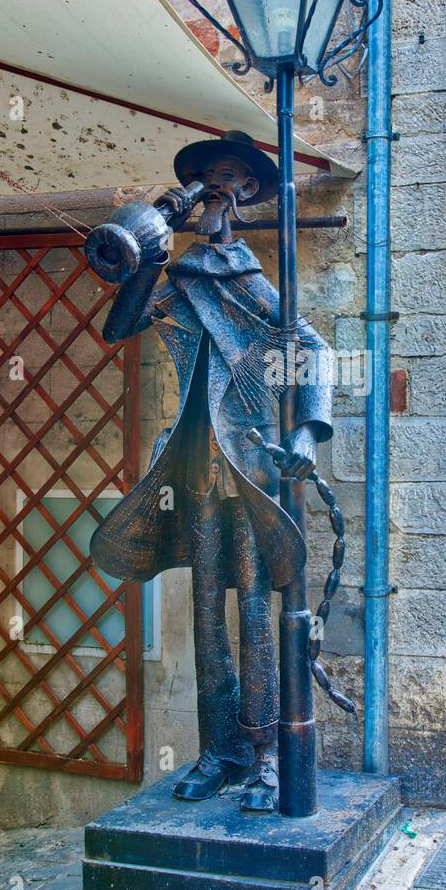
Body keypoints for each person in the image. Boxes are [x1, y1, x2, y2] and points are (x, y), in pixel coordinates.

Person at [87, 131, 333, 813]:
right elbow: (121, 326)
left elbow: (314, 347)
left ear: (246, 195)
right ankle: (217, 753)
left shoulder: (249, 280)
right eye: (209, 181)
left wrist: (308, 431)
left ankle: (261, 759)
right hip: (194, 467)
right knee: (206, 624)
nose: (216, 190)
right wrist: (149, 260)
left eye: (229, 181)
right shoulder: (184, 278)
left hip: (249, 469)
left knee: (253, 616)